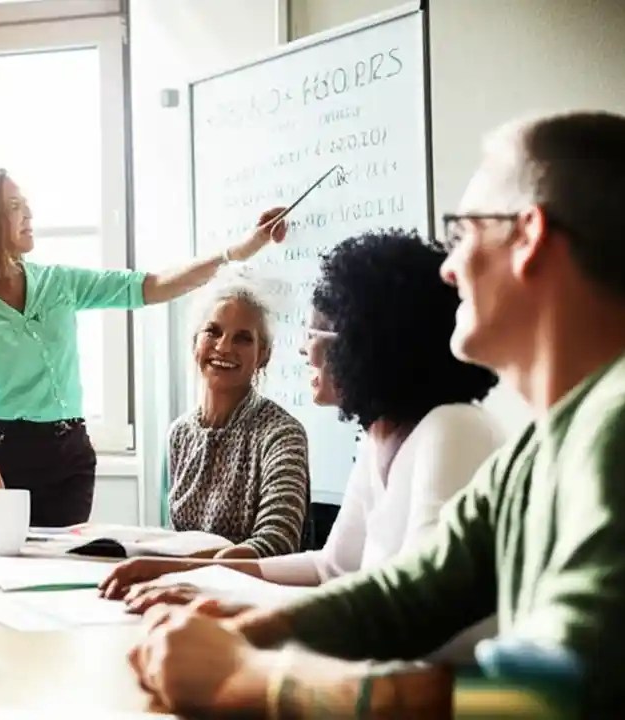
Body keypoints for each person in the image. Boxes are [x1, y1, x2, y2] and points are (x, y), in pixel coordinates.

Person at [128, 110, 625, 716]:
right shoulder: (542, 448)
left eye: (462, 233)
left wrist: (254, 680)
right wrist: (245, 629)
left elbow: (550, 697)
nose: (449, 270)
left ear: (529, 236)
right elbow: (411, 592)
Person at [104, 231, 503, 624]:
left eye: (313, 333)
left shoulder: (451, 428)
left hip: (449, 680)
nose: (303, 348)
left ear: (363, 343)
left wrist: (234, 602)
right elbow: (330, 568)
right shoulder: (380, 438)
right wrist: (186, 576)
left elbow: (422, 598)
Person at [0, 167, 287, 528]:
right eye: (14, 205)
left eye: (26, 203)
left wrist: (240, 251)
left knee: (58, 575)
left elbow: (151, 286)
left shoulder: (56, 282)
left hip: (67, 459)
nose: (28, 214)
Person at [163, 278, 309, 558]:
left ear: (262, 356)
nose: (224, 347)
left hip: (252, 593)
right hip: (187, 586)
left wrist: (185, 568)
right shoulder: (180, 433)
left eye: (243, 338)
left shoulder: (282, 434)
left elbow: (277, 542)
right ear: (195, 343)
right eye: (213, 332)